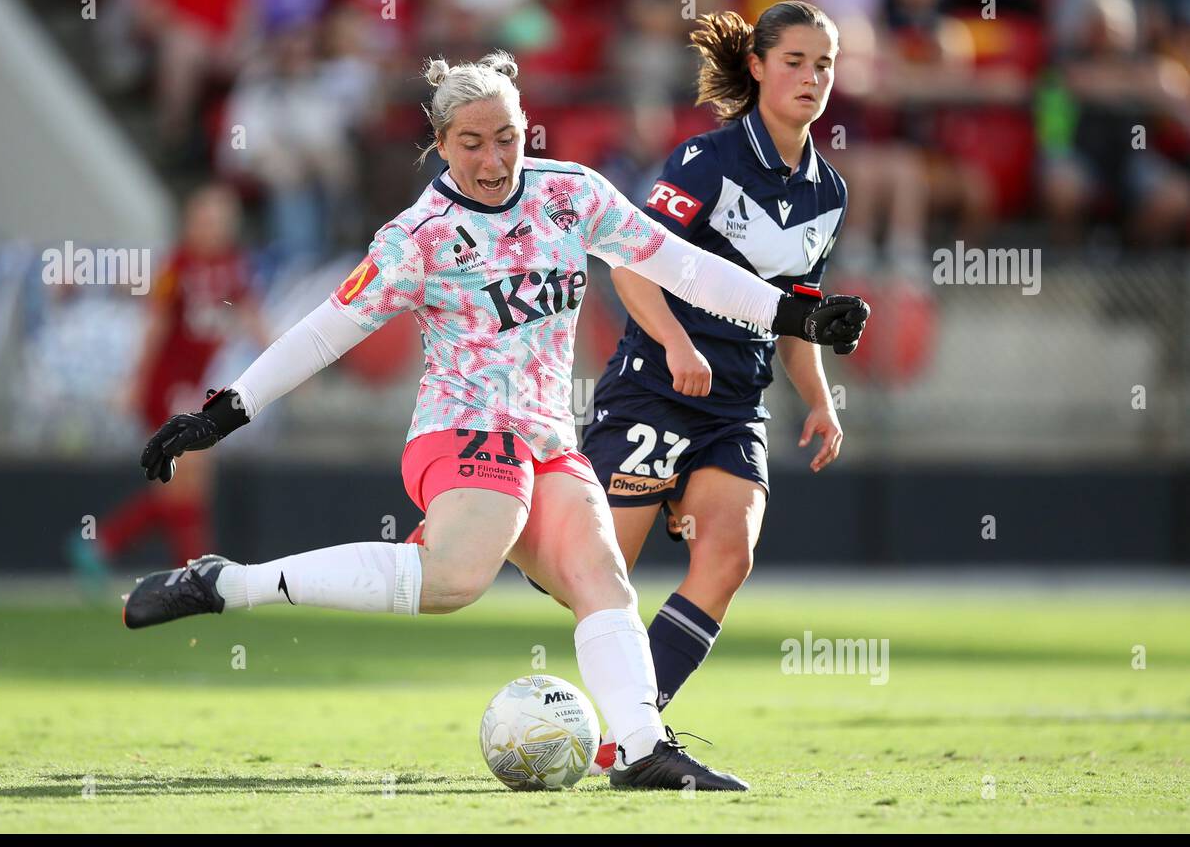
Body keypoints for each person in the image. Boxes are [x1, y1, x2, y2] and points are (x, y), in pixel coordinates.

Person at [123, 52, 869, 792]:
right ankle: (229, 584)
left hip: (548, 438)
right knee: (457, 579)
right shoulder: (418, 238)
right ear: (441, 145)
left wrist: (797, 313)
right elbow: (323, 333)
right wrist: (222, 414)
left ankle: (643, 749)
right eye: (472, 143)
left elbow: (682, 266)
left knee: (602, 581)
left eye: (507, 137)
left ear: (526, 130)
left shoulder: (571, 194)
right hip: (462, 428)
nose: (494, 158)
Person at [579, 4, 851, 766]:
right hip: (655, 392)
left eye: (824, 64)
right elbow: (631, 262)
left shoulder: (829, 193)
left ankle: (628, 739)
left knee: (728, 560)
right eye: (795, 60)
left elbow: (796, 317)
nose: (811, 77)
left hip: (734, 406)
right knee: (594, 575)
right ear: (758, 67)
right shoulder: (705, 161)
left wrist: (822, 400)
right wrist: (673, 343)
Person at [70, 185, 269, 581]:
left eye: (223, 222)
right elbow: (156, 326)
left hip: (195, 386)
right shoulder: (177, 266)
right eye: (209, 220)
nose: (216, 229)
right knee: (187, 480)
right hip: (167, 385)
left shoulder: (231, 264)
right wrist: (135, 383)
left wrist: (280, 351)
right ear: (192, 223)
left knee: (188, 486)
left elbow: (249, 313)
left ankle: (107, 545)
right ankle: (192, 572)